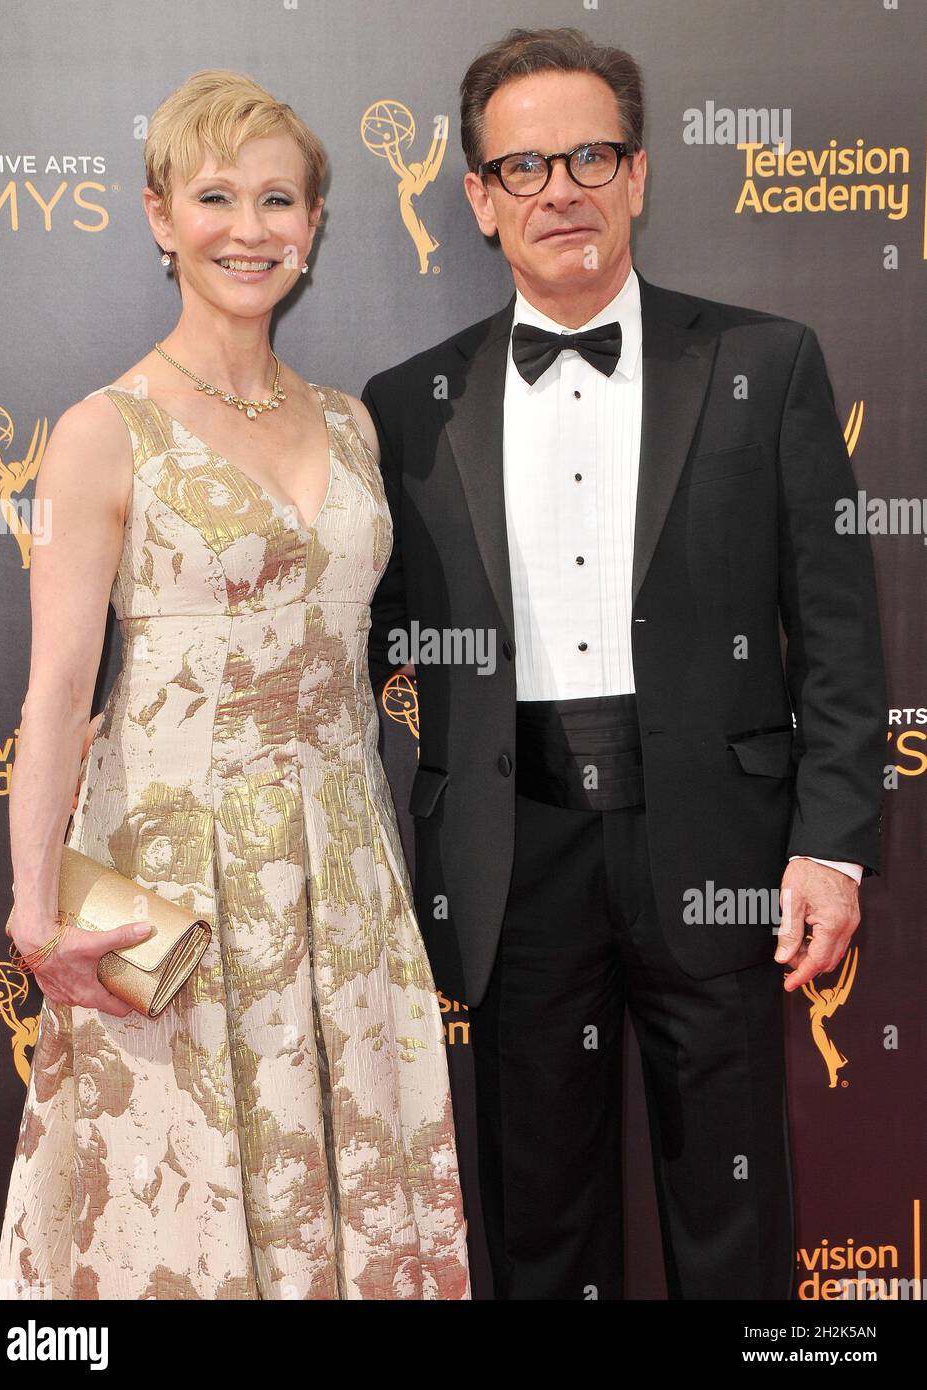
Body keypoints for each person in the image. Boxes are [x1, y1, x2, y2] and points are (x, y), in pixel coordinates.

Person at [361, 28, 885, 1300]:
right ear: (479, 200)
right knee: (537, 1225)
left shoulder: (766, 363)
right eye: (524, 165)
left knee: (734, 1212)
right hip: (510, 856)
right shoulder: (403, 404)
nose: (562, 189)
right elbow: (345, 635)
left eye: (591, 154)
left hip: (718, 849)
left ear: (640, 174)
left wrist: (831, 844)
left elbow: (838, 630)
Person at [0, 69, 469, 1301]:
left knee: (348, 1158)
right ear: (160, 217)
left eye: (277, 199)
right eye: (215, 196)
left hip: (342, 856)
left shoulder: (352, 424)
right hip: (172, 861)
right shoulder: (105, 428)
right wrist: (33, 904)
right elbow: (57, 691)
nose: (249, 228)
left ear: (313, 227)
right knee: (178, 1187)